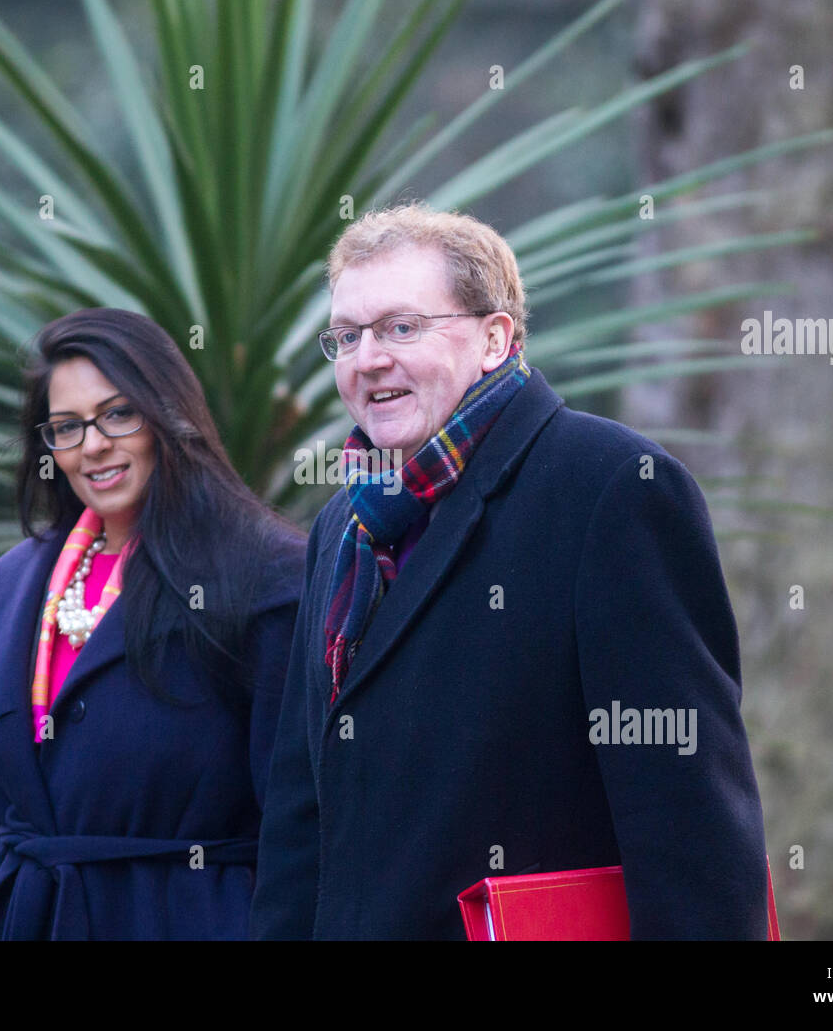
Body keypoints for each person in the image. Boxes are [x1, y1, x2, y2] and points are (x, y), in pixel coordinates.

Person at [251, 204, 770, 940]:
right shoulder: (345, 524)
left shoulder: (614, 489)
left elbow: (691, 830)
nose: (367, 358)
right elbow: (302, 814)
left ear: (495, 338)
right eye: (348, 336)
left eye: (401, 327)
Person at [0, 308, 304, 940]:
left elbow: (299, 828)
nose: (93, 445)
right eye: (66, 427)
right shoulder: (12, 590)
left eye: (117, 414)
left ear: (169, 414)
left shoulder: (264, 580)